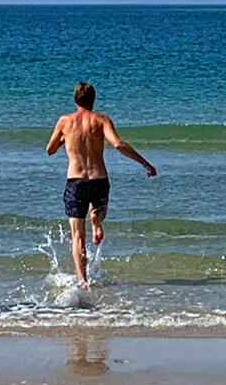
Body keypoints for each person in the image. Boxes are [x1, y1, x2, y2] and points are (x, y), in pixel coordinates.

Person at [45, 81, 155, 286]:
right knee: (100, 210)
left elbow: (49, 150)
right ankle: (97, 217)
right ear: (93, 100)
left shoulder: (64, 121)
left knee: (77, 236)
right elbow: (118, 144)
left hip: (75, 181)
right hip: (98, 178)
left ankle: (82, 280)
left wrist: (65, 139)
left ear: (75, 99)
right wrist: (145, 163)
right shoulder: (101, 120)